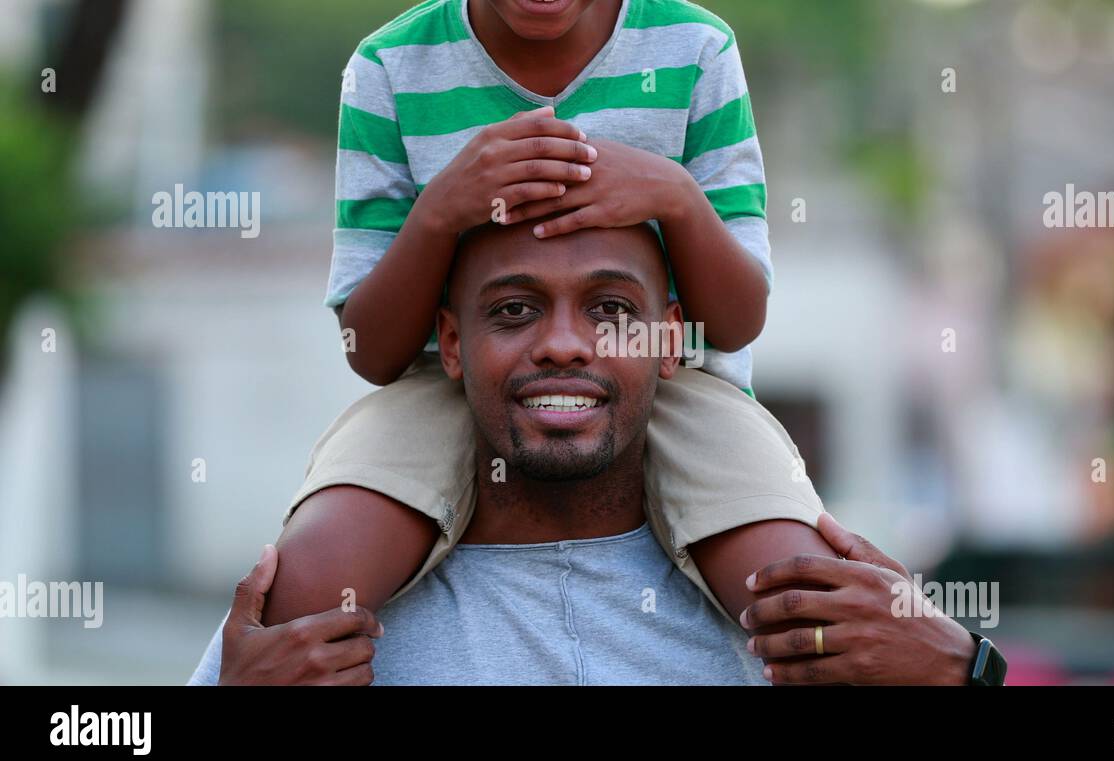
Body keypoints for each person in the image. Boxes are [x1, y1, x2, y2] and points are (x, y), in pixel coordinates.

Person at [188, 220, 983, 685]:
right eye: (513, 310)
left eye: (609, 308)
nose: (564, 344)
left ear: (671, 340)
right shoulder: (319, 625)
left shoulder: (802, 623)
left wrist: (967, 671)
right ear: (453, 343)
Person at [275, 0, 837, 634]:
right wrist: (439, 212)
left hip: (674, 377)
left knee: (805, 607)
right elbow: (371, 350)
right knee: (306, 591)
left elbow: (735, 322)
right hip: (448, 383)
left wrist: (676, 196)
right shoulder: (391, 67)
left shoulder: (696, 49)